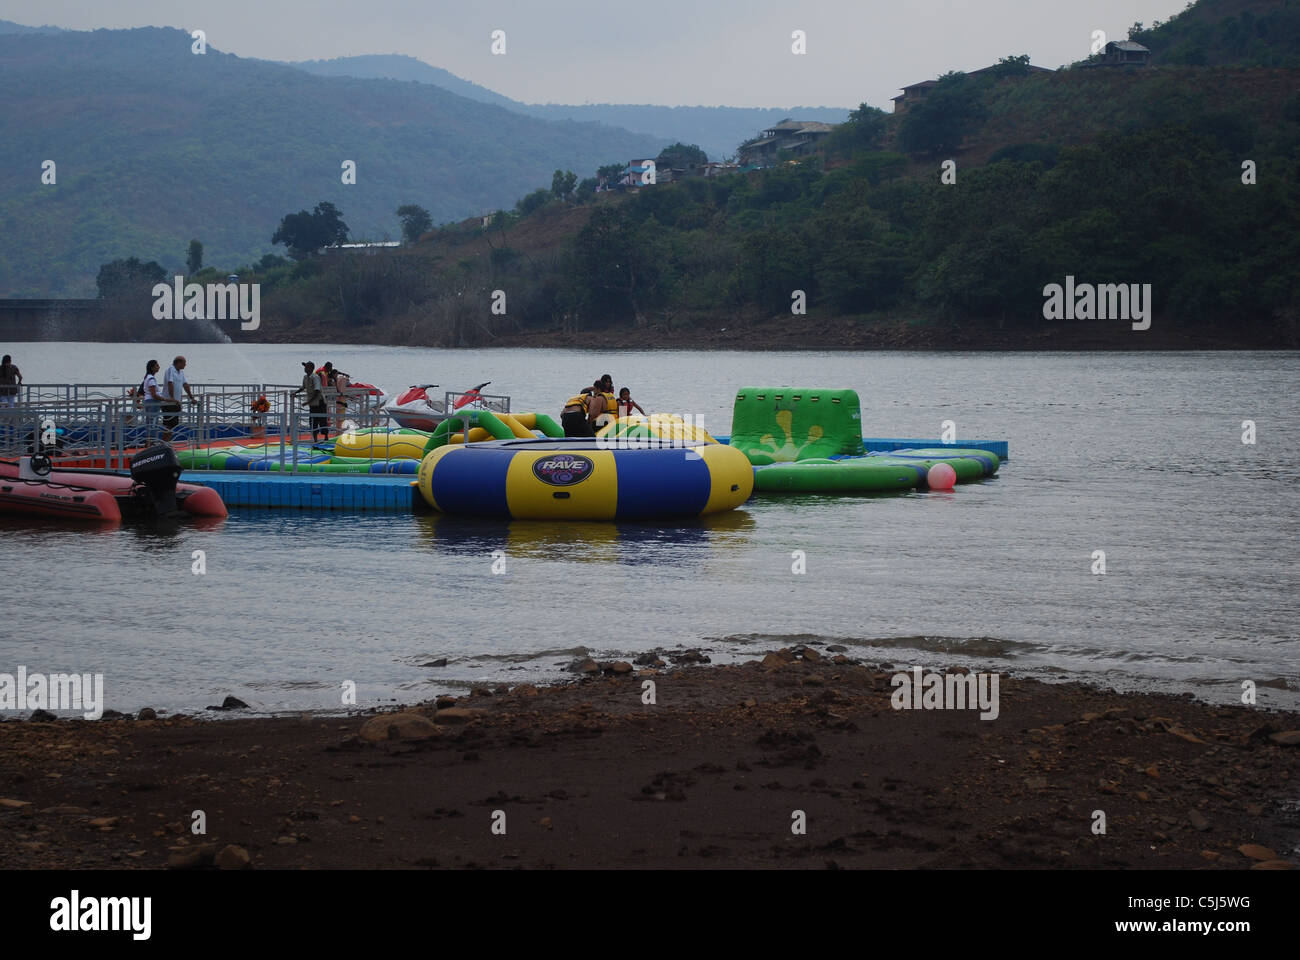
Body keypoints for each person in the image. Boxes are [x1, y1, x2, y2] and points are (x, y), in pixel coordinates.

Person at [161, 356, 195, 442]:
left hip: (176, 402)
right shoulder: (170, 370)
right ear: (178, 363)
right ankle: (164, 443)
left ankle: (167, 442)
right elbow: (170, 383)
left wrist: (191, 397)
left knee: (173, 424)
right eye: (184, 363)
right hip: (168, 403)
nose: (185, 365)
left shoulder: (181, 372)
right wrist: (172, 397)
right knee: (168, 424)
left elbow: (185, 385)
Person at [294, 360, 329, 443]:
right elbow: (303, 387)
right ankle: (315, 439)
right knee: (313, 421)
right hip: (312, 404)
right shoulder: (305, 377)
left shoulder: (315, 377)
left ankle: (326, 437)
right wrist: (295, 392)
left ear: (311, 368)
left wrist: (307, 402)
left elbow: (317, 391)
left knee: (322, 420)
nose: (305, 368)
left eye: (307, 367)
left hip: (319, 402)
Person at [138, 359, 162, 443]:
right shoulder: (151, 379)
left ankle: (149, 441)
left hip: (149, 401)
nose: (159, 367)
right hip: (153, 402)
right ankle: (151, 441)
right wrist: (164, 399)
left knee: (150, 421)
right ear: (152, 368)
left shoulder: (148, 377)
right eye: (157, 365)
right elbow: (153, 394)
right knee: (152, 422)